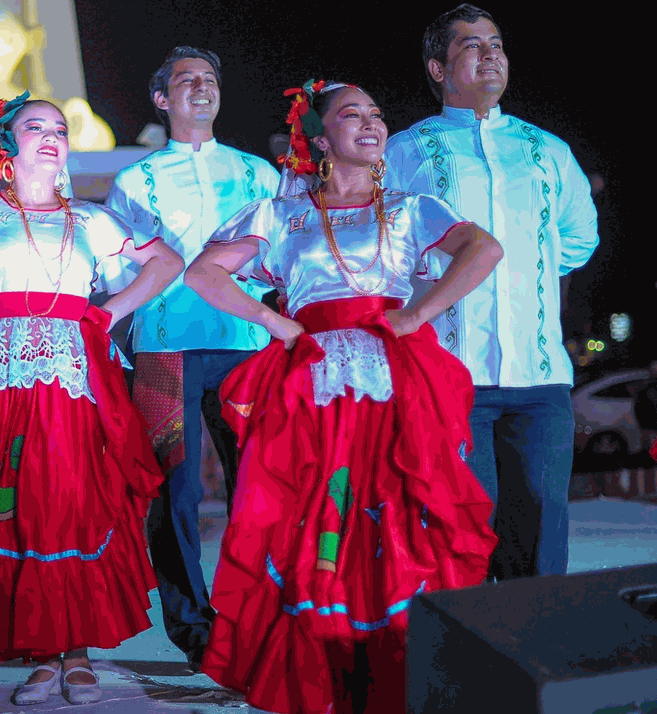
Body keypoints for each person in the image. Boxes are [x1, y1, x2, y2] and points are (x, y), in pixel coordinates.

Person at [184, 80, 502, 713]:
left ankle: (401, 663)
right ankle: (324, 668)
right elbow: (202, 272)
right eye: (351, 115)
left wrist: (417, 314)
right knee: (316, 513)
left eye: (378, 114)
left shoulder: (413, 207)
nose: (372, 124)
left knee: (401, 507)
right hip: (315, 383)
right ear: (320, 139)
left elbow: (484, 249)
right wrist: (279, 324)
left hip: (395, 379)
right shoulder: (282, 213)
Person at [0, 92, 183, 706]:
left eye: (61, 128)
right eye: (35, 126)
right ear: (7, 145)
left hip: (70, 373)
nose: (51, 136)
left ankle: (77, 655)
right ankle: (42, 655)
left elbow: (167, 261)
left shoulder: (94, 219)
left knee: (67, 498)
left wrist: (112, 310)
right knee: (8, 502)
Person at [384, 4, 600, 579]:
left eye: (497, 44)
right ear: (437, 68)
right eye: (472, 46)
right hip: (450, 374)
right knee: (459, 531)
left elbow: (580, 238)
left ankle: (536, 660)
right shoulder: (405, 151)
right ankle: (463, 661)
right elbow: (382, 245)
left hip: (540, 376)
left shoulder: (546, 151)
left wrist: (524, 277)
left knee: (541, 535)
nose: (490, 55)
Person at [104, 46, 280, 671]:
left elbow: (277, 253)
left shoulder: (261, 173)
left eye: (210, 79)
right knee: (174, 492)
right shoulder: (134, 181)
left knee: (257, 486)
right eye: (186, 81)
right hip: (163, 346)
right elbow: (124, 264)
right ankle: (192, 627)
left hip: (245, 348)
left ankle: (259, 615)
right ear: (161, 98)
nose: (202, 89)